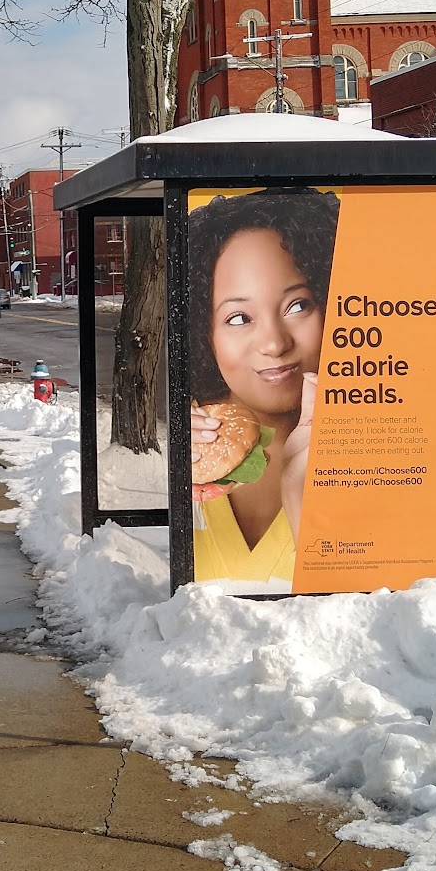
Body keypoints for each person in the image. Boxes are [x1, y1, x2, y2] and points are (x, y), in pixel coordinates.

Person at [188, 187, 339, 589]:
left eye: (298, 305)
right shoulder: (190, 435)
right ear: (206, 332)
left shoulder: (378, 443)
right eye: (238, 318)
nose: (274, 344)